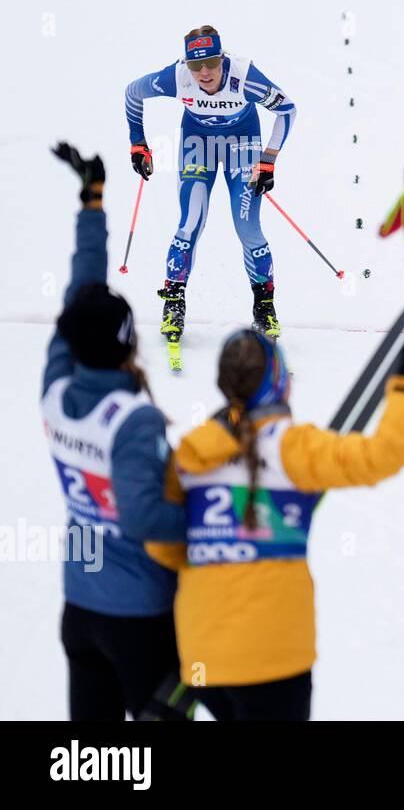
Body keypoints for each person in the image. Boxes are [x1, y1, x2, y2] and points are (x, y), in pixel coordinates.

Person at [144, 327, 404, 720]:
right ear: (279, 380)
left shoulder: (192, 452)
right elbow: (381, 456)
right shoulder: (293, 447)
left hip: (204, 659)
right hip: (275, 659)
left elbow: (161, 543)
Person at [41, 143, 188, 720]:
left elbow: (80, 297)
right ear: (129, 344)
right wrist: (219, 514)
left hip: (81, 608)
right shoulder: (134, 420)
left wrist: (92, 202)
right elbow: (144, 517)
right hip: (140, 619)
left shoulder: (55, 388)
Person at [124, 25, 298, 340]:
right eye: (195, 65)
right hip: (197, 145)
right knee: (190, 222)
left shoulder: (244, 76)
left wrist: (269, 159)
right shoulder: (177, 77)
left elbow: (287, 109)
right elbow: (133, 93)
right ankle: (174, 302)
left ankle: (264, 305)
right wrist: (138, 143)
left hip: (242, 145)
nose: (203, 72)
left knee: (247, 225)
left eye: (211, 63)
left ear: (222, 58)